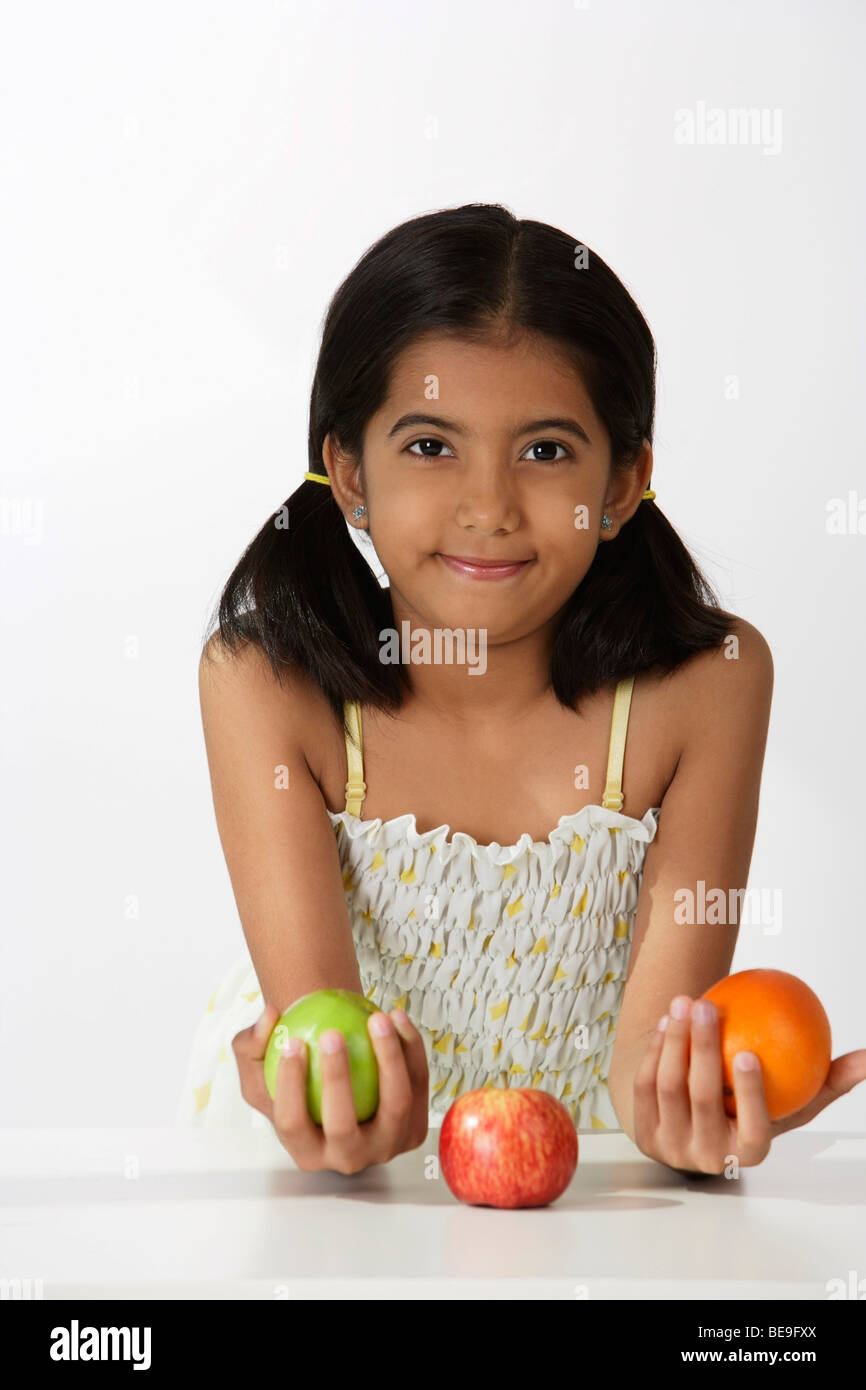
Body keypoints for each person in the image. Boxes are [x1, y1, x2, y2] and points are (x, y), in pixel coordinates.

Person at [176, 203, 864, 1176]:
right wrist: (319, 1090)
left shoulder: (708, 686)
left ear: (623, 481)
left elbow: (644, 1056)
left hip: (581, 1170)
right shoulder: (265, 685)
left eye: (544, 451)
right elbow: (328, 1039)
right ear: (347, 472)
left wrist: (681, 1109)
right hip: (317, 1174)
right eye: (427, 445)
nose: (488, 508)